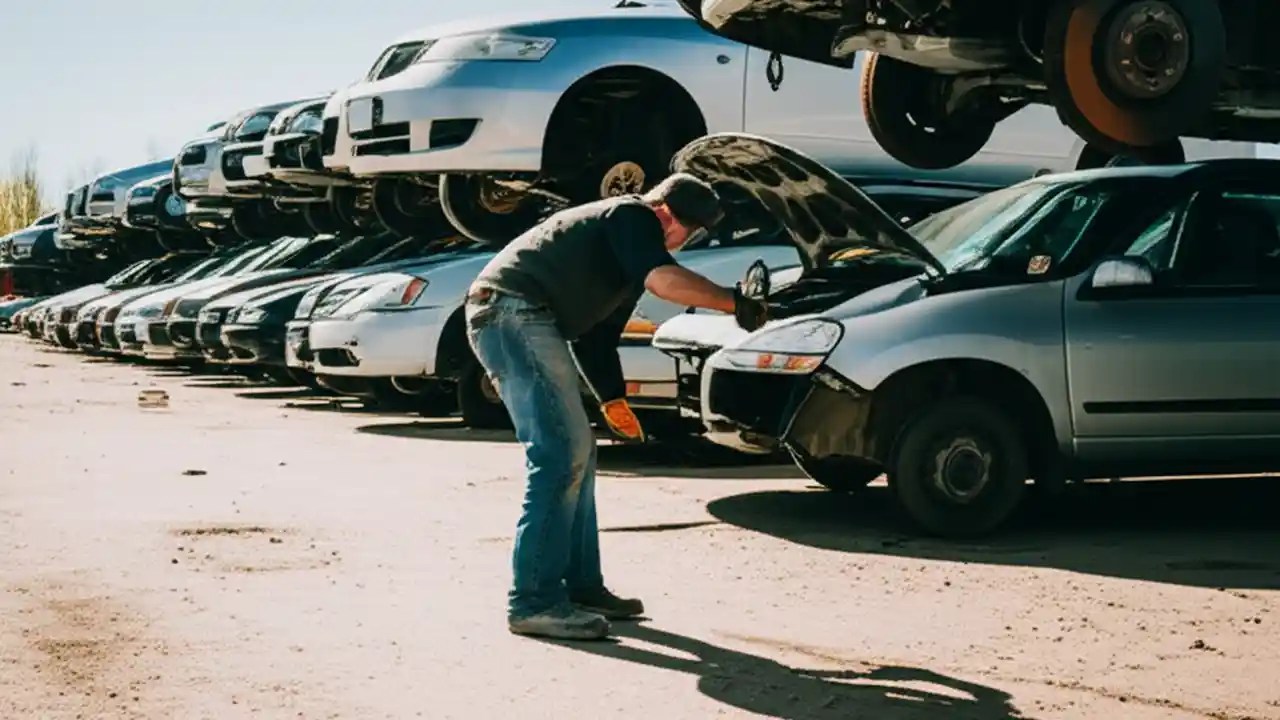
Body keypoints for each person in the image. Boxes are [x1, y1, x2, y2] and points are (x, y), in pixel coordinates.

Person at [464, 172, 769, 640]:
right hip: (511, 310)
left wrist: (613, 400)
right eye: (690, 233)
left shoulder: (625, 255)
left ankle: (581, 587)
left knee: (579, 454)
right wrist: (732, 302)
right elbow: (667, 280)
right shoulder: (633, 214)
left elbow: (596, 338)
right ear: (668, 215)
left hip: (521, 315)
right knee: (558, 455)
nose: (686, 244)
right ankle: (534, 602)